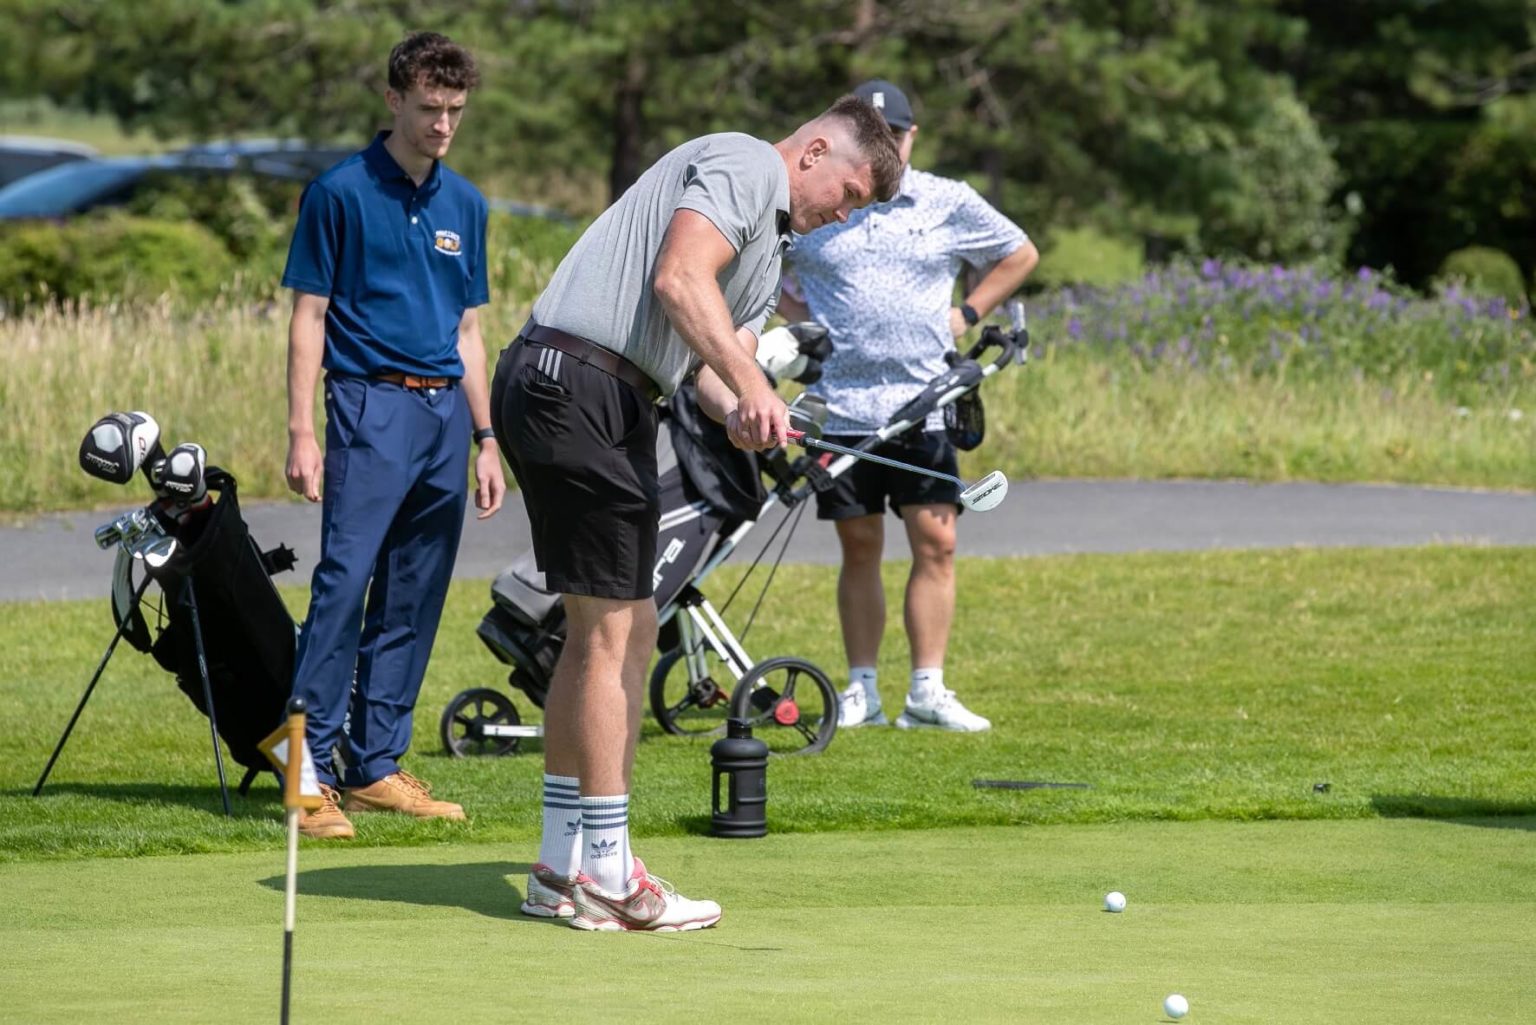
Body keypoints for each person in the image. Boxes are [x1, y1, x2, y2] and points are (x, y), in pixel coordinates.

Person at [492, 97, 902, 931]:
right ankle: (608, 873)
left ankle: (557, 865)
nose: (843, 215)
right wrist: (746, 385)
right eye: (850, 193)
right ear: (816, 150)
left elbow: (714, 372)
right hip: (579, 382)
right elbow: (678, 278)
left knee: (610, 627)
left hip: (592, 391)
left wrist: (756, 408)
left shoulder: (765, 251)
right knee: (619, 632)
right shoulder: (748, 163)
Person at [280, 31, 506, 839]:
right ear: (393, 101)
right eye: (429, 109)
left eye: (455, 111)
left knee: (415, 591)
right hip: (367, 407)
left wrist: (486, 437)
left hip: (448, 414)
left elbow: (469, 329)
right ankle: (305, 771)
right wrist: (302, 429)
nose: (443, 125)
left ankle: (374, 765)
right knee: (344, 587)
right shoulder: (338, 193)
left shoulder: (467, 204)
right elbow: (309, 317)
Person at [778, 79, 1039, 733]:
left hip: (925, 402)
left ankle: (927, 689)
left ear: (911, 137)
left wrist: (968, 313)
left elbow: (1019, 251)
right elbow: (767, 265)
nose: (884, 146)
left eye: (894, 135)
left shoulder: (945, 199)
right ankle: (862, 687)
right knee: (860, 544)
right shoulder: (824, 198)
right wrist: (798, 319)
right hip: (841, 405)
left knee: (937, 542)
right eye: (872, 133)